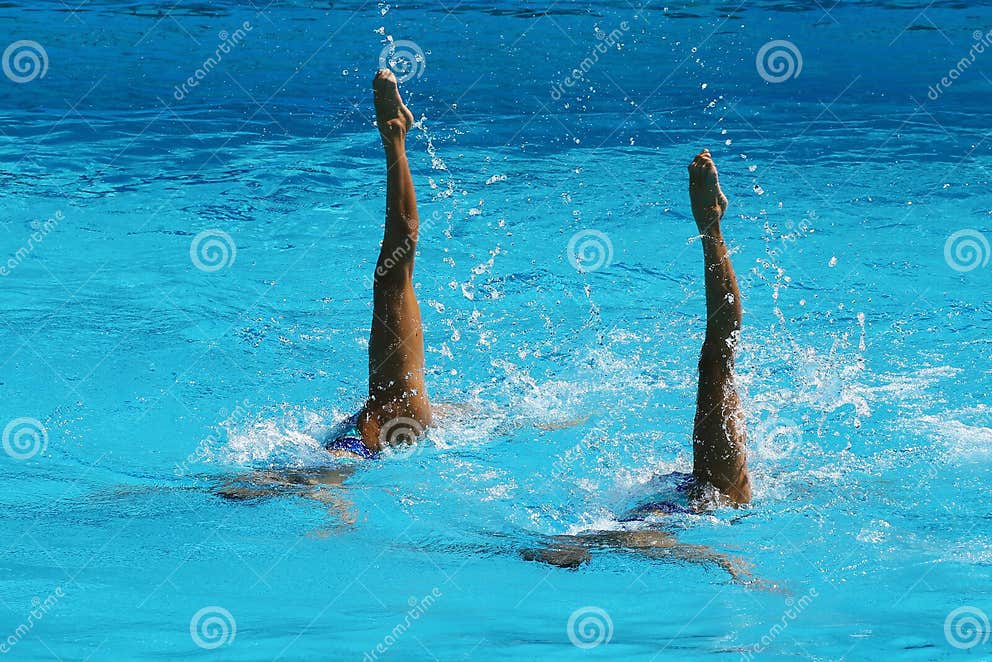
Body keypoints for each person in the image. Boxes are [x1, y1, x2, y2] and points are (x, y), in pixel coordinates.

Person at [523, 149, 756, 580]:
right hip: (717, 494)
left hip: (694, 492)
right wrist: (721, 561)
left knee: (715, 360)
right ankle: (710, 225)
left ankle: (711, 227)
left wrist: (720, 560)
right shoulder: (612, 538)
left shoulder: (601, 536)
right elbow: (678, 550)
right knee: (715, 362)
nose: (556, 550)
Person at [324, 69, 433, 459]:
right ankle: (394, 138)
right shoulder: (392, 406)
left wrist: (336, 515)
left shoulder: (328, 461)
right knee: (391, 279)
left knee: (392, 275)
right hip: (391, 422)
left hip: (383, 424)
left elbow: (333, 490)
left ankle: (396, 138)